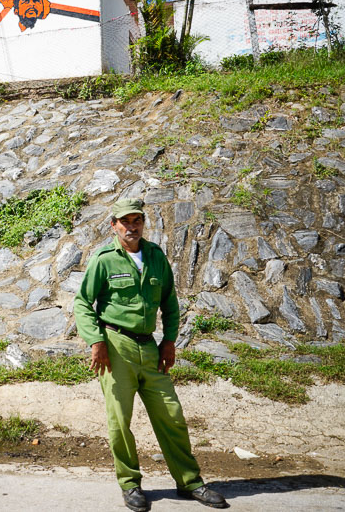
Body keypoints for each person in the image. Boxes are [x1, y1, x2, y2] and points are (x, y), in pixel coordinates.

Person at [74, 198, 228, 511]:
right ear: (113, 225)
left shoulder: (156, 256)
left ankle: (190, 482)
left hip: (149, 347)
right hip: (115, 348)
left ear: (143, 223)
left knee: (171, 414)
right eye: (125, 222)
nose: (132, 227)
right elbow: (82, 303)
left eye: (137, 221)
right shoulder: (103, 259)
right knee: (120, 421)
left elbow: (170, 303)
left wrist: (169, 341)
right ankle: (130, 485)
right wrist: (96, 342)